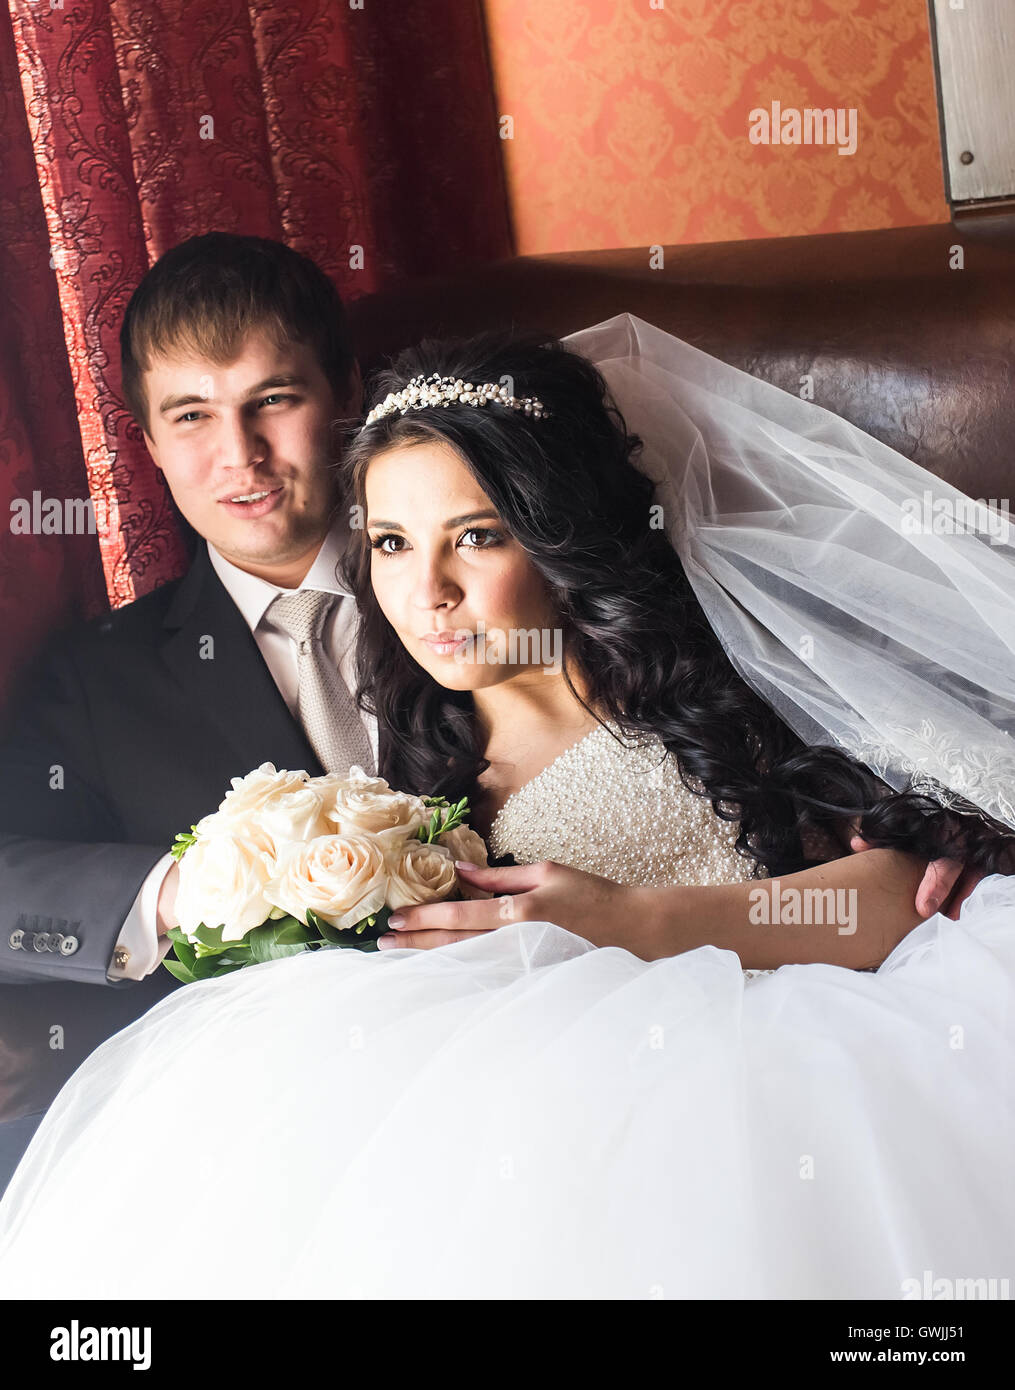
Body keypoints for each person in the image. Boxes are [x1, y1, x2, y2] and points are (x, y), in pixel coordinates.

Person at [1, 322, 1012, 1298]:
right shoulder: (417, 765)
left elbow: (891, 891)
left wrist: (635, 922)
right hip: (524, 1137)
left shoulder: (697, 692)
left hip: (765, 1097)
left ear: (559, 530)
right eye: (391, 543)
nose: (428, 590)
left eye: (476, 536)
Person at [0, 233, 375, 1191]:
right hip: (260, 1124)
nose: (239, 455)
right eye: (193, 416)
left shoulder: (477, 592)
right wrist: (180, 891)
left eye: (274, 400)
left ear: (347, 396)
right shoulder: (95, 677)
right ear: (150, 442)